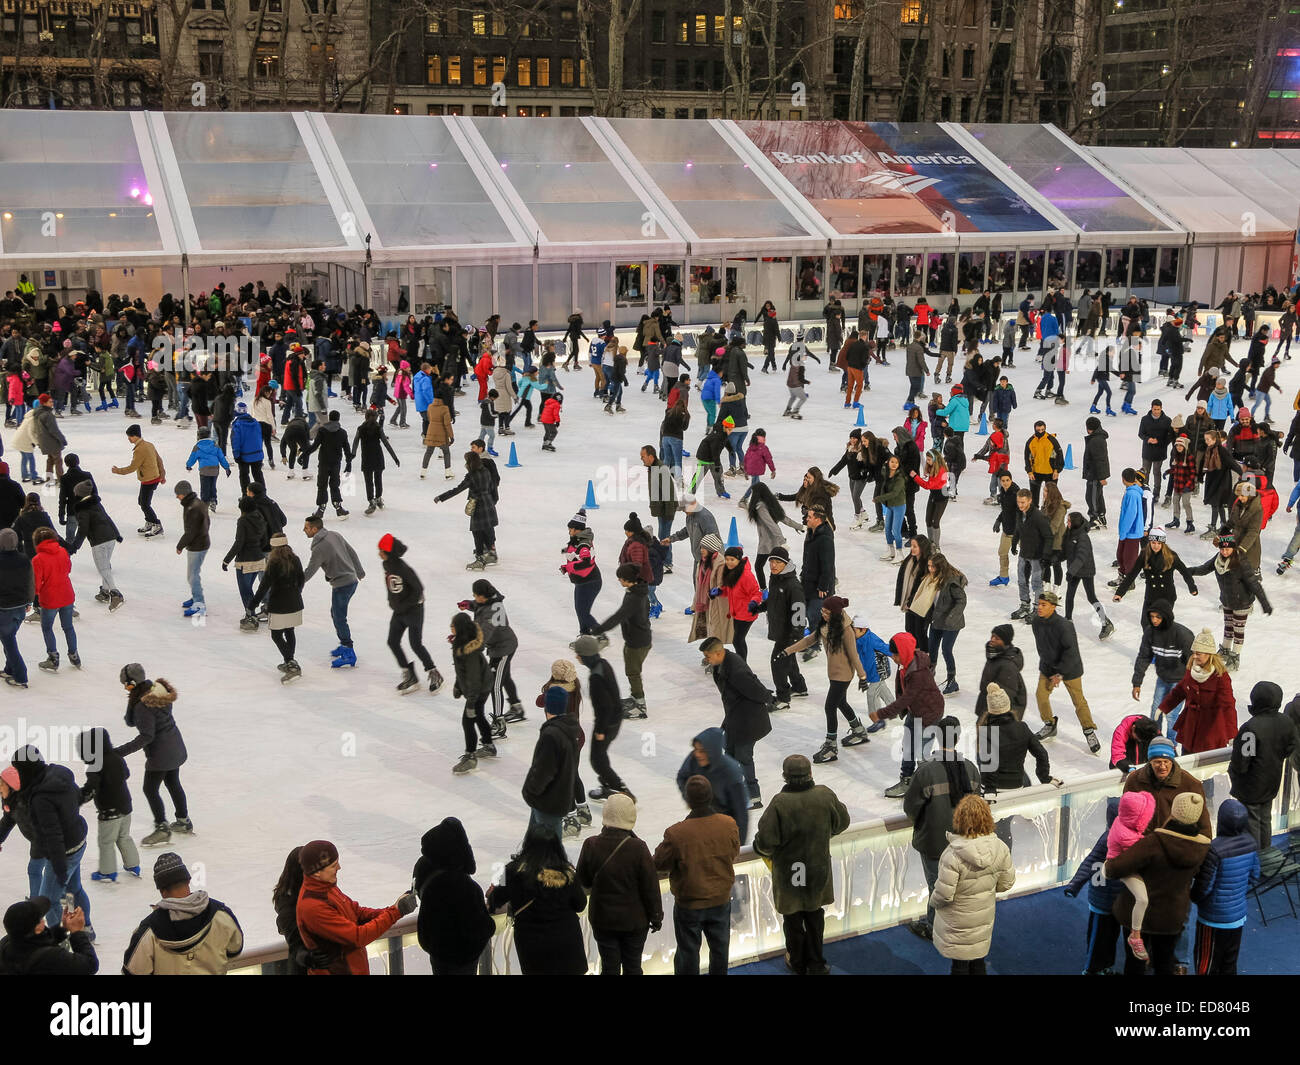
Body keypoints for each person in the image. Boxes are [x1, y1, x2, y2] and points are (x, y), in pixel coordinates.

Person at [752, 754, 850, 976]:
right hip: (817, 870)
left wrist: (759, 849)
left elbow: (766, 842)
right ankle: (817, 963)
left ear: (785, 776)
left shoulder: (779, 803)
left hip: (790, 875)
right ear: (811, 773)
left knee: (793, 920)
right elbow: (842, 822)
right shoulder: (824, 795)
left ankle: (797, 962)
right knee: (815, 917)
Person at [1105, 792, 1211, 976]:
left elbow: (1115, 868)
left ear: (1174, 811)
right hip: (1172, 915)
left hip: (1140, 915)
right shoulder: (1202, 847)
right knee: (1165, 962)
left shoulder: (1154, 842)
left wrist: (1108, 865)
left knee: (1135, 964)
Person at [653, 775, 740, 976]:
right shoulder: (728, 824)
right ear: (711, 797)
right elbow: (733, 853)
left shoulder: (676, 833)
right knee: (720, 949)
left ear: (688, 800)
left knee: (688, 952)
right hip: (720, 899)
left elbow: (659, 863)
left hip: (689, 904)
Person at [902, 717, 980, 939]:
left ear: (937, 737)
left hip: (934, 843)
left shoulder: (927, 771)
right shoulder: (971, 769)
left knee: (937, 887)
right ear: (957, 738)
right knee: (959, 885)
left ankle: (935, 927)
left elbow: (911, 807)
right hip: (964, 843)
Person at [295, 839, 416, 976]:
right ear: (317, 872)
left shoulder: (326, 888)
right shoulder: (314, 907)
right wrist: (395, 912)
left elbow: (356, 912)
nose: (339, 867)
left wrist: (393, 908)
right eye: (334, 865)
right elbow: (358, 937)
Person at [576, 793, 663, 976]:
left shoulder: (591, 845)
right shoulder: (638, 847)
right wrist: (656, 916)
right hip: (634, 922)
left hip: (603, 920)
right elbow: (650, 887)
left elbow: (583, 880)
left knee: (609, 968)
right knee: (633, 967)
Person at [929, 794, 1015, 975]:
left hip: (956, 921)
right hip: (983, 919)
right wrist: (987, 890)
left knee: (959, 966)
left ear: (959, 819)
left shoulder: (952, 855)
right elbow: (1007, 883)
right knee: (978, 961)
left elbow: (944, 894)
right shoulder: (1000, 847)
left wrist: (933, 903)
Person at [11, 746, 90, 936]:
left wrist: (60, 869)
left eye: (19, 770)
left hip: (64, 852)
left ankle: (61, 939)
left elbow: (53, 835)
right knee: (73, 889)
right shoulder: (59, 774)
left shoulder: (41, 798)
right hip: (79, 839)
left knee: (49, 901)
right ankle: (85, 929)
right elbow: (78, 798)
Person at [486, 826, 587, 975]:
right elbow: (580, 904)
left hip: (532, 945)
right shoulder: (567, 873)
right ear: (557, 846)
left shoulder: (510, 870)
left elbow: (494, 900)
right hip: (567, 943)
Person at [122, 852, 244, 974]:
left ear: (162, 891)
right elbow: (234, 950)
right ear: (188, 880)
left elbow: (133, 971)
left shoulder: (148, 930)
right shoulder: (221, 914)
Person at [782, 596, 870, 764]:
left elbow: (853, 655)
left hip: (843, 675)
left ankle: (831, 746)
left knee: (830, 706)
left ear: (836, 614)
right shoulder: (825, 625)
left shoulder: (846, 630)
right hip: (833, 673)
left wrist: (862, 676)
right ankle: (858, 730)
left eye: (827, 612)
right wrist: (788, 651)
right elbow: (809, 640)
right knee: (841, 702)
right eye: (822, 610)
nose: (823, 614)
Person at [116, 664, 190, 846]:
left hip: (161, 753)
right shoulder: (156, 692)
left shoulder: (143, 705)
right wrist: (132, 701)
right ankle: (183, 821)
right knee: (173, 782)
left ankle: (162, 828)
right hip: (175, 745)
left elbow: (146, 735)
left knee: (150, 789)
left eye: (126, 685)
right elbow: (131, 721)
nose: (125, 688)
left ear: (133, 684)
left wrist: (120, 752)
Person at [412, 817, 495, 975]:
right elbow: (481, 927)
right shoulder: (466, 887)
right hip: (464, 958)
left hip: (439, 955)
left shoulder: (424, 869)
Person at [1190, 798, 1261, 975]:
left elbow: (1204, 888)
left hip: (1213, 920)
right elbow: (1255, 876)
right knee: (1229, 963)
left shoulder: (1214, 850)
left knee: (1206, 964)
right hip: (1237, 918)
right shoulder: (1251, 843)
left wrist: (1193, 897)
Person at [1185, 532, 1270, 673]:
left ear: (1233, 548)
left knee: (1238, 630)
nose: (1224, 552)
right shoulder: (1218, 559)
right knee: (1228, 626)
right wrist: (1187, 571)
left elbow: (1254, 583)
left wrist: (1265, 603)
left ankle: (1235, 657)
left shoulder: (1241, 561)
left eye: (1227, 549)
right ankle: (1225, 650)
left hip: (1242, 601)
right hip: (1227, 599)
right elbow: (1204, 568)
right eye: (1222, 549)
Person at [1229, 680, 1298, 851]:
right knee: (1265, 818)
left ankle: (1255, 857)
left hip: (1250, 785)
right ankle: (1265, 851)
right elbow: (1291, 746)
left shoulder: (1250, 728)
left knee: (1252, 820)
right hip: (1272, 780)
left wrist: (1237, 773)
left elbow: (1242, 760)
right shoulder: (1286, 722)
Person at [1031, 590, 1101, 753]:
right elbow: (1042, 647)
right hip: (1048, 667)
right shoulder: (1036, 622)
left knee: (1078, 701)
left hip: (1070, 668)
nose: (1039, 608)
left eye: (1043, 605)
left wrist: (1059, 674)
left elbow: (1071, 652)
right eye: (1038, 604)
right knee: (1041, 695)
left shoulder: (1064, 625)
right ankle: (1050, 724)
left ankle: (1089, 730)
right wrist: (1048, 669)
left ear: (1053, 607)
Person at [1063, 797, 1125, 974]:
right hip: (1103, 901)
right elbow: (1090, 862)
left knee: (1110, 936)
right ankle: (1091, 970)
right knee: (1099, 938)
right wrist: (1074, 885)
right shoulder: (1108, 839)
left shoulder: (1125, 837)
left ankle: (1105, 967)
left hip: (1115, 900)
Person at [378, 534, 442, 695]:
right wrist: (392, 602)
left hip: (414, 611)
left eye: (381, 551)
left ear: (388, 553)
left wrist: (404, 605)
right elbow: (393, 588)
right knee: (392, 642)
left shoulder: (403, 568)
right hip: (399, 612)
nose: (379, 553)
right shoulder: (387, 565)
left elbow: (418, 589)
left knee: (415, 644)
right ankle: (410, 675)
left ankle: (434, 673)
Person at [590, 559, 653, 718]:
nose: (619, 581)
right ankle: (635, 697)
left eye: (620, 578)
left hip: (637, 642)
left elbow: (618, 616)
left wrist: (599, 629)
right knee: (632, 671)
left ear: (627, 579)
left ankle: (640, 705)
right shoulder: (639, 591)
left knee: (633, 672)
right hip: (639, 638)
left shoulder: (634, 598)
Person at [302, 513, 365, 668]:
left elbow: (311, 570)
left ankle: (348, 650)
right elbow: (352, 552)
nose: (304, 530)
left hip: (342, 585)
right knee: (336, 613)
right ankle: (345, 645)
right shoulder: (334, 535)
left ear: (315, 529)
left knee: (339, 617)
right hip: (351, 581)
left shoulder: (319, 548)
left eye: (306, 528)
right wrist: (359, 571)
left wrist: (297, 584)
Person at [76, 728, 139, 883]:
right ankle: (133, 865)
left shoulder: (94, 766)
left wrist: (78, 799)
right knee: (124, 836)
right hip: (126, 806)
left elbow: (92, 787)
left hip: (109, 811)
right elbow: (127, 774)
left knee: (106, 842)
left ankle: (108, 871)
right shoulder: (117, 757)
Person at [675, 728, 750, 844]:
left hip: (723, 823)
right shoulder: (693, 759)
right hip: (701, 815)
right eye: (696, 749)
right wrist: (691, 798)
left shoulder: (731, 772)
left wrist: (740, 846)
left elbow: (741, 813)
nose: (698, 754)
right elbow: (682, 777)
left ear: (713, 751)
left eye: (703, 751)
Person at [976, 682, 1053, 791]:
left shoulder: (987, 732)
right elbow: (1042, 753)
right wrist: (1044, 777)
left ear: (990, 709)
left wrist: (990, 790)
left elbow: (987, 764)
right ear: (1008, 706)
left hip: (994, 789)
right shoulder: (1022, 727)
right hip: (1017, 785)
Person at [0, 898, 97, 975]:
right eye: (41, 918)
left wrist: (64, 928)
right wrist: (77, 932)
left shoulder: (7, 942)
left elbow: (39, 941)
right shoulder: (51, 957)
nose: (43, 920)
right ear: (37, 928)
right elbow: (90, 965)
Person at [30, 527, 77, 673]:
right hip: (67, 595)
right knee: (68, 627)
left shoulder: (38, 559)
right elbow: (68, 569)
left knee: (47, 627)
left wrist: (33, 597)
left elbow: (36, 583)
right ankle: (74, 654)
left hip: (50, 599)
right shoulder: (63, 551)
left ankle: (53, 657)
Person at [111, 424, 166, 537]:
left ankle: (157, 524)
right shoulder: (149, 445)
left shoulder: (140, 449)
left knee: (145, 504)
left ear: (135, 436)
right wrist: (162, 474)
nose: (128, 439)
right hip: (152, 478)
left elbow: (132, 467)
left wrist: (117, 471)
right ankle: (150, 522)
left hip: (149, 480)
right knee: (142, 502)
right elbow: (159, 460)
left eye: (130, 436)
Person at [304, 409, 352, 521]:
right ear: (338, 419)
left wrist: (304, 455)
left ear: (330, 419)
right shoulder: (342, 432)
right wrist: (349, 463)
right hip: (336, 463)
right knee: (334, 484)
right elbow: (347, 450)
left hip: (324, 462)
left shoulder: (322, 431)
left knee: (322, 485)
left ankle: (321, 509)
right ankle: (339, 508)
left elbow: (315, 446)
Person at [171, 479, 210, 618]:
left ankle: (199, 604)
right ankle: (196, 596)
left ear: (184, 493)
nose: (177, 497)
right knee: (193, 574)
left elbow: (191, 531)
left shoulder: (193, 507)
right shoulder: (197, 503)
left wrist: (180, 545)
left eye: (178, 494)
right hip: (201, 542)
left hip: (197, 545)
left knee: (193, 575)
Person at [0, 529, 33, 688]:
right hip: (20, 607)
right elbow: (30, 582)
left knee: (8, 641)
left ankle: (21, 675)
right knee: (9, 638)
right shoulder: (24, 559)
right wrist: (29, 601)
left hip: (4, 608)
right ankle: (9, 669)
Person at [973, 624, 1027, 720]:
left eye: (997, 638)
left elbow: (1002, 698)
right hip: (990, 710)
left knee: (989, 735)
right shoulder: (995, 657)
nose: (992, 640)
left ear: (1005, 642)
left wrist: (986, 717)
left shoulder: (1007, 666)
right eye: (992, 636)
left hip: (999, 716)